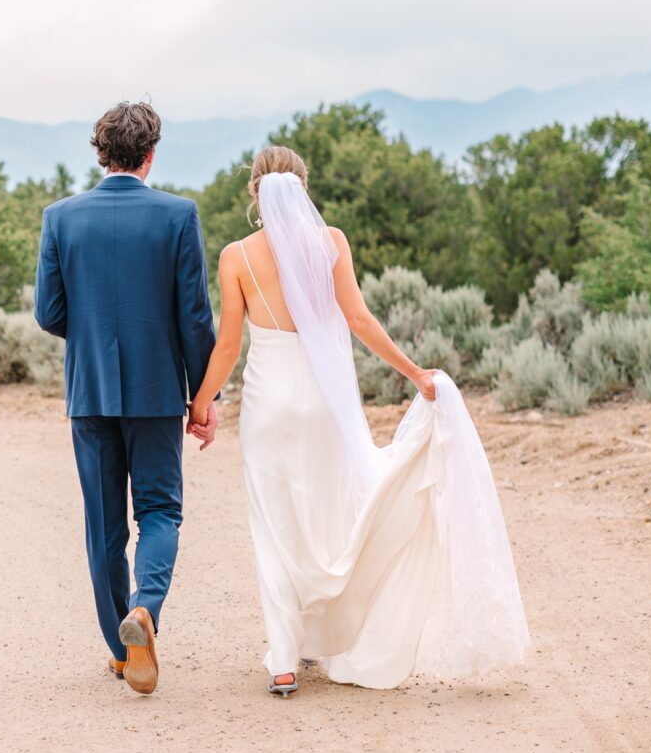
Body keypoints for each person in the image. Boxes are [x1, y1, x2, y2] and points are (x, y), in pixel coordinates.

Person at [190, 146, 529, 694]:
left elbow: (228, 344)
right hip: (323, 403)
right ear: (303, 188)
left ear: (254, 193)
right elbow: (358, 318)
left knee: (273, 528)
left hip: (268, 406)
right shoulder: (331, 244)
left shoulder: (236, 256)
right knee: (326, 518)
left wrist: (201, 403)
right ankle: (325, 635)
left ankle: (284, 658)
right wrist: (415, 373)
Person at [35, 102, 219, 694]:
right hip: (159, 390)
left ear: (100, 152)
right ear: (151, 154)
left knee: (104, 524)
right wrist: (203, 396)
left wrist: (94, 336)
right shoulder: (177, 216)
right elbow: (194, 317)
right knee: (161, 509)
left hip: (89, 392)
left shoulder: (60, 218)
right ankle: (145, 610)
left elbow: (49, 313)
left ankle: (121, 653)